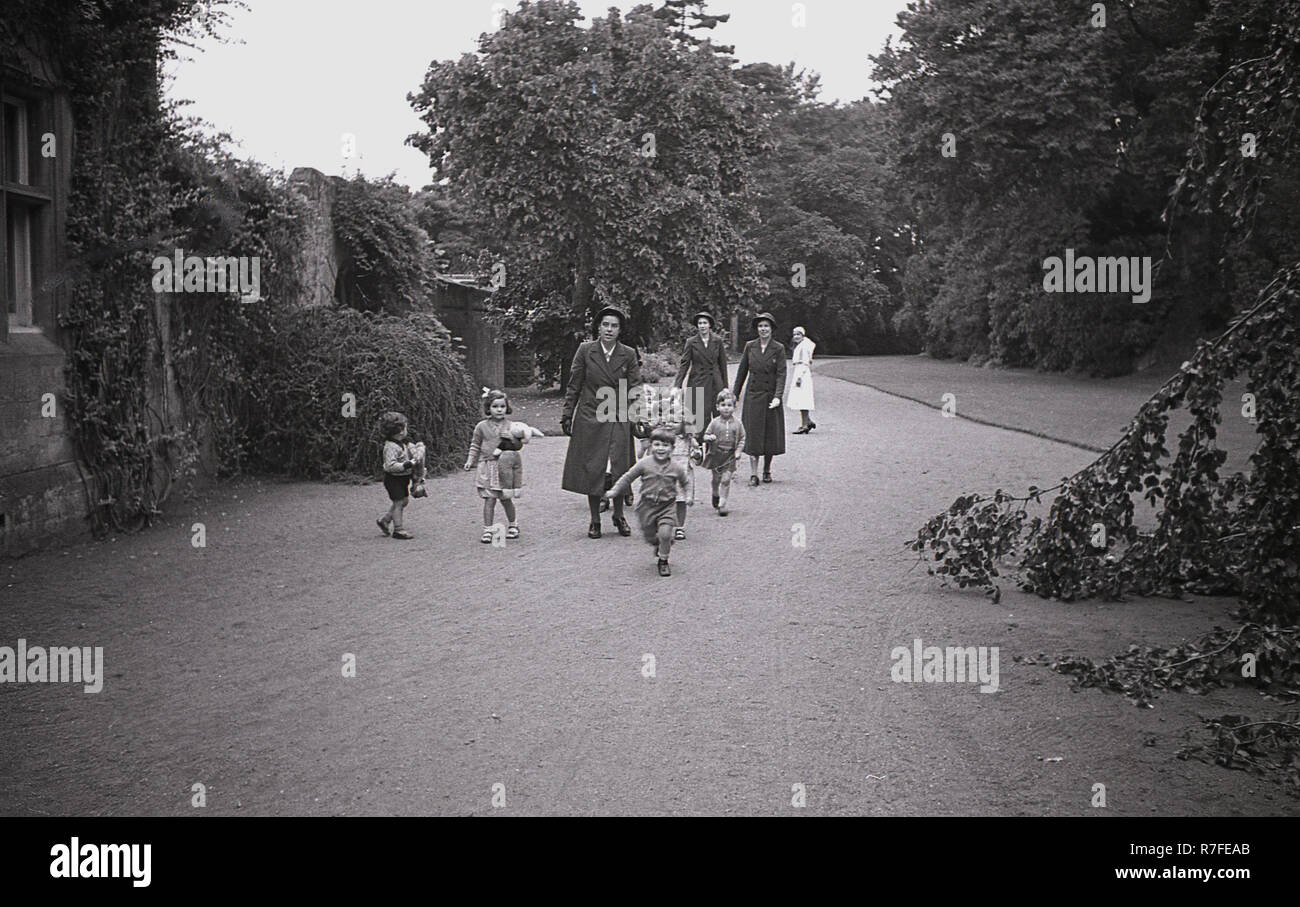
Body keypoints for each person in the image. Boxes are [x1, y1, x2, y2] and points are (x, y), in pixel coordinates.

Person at [561, 305, 642, 539]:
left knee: (619, 465)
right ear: (598, 327)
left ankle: (618, 515)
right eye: (605, 324)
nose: (609, 329)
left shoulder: (628, 354)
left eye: (614, 326)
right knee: (593, 467)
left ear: (620, 330)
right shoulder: (586, 351)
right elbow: (574, 384)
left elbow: (635, 388)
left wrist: (637, 418)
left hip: (618, 414)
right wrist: (568, 414)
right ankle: (595, 520)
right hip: (590, 415)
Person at [604, 427, 689, 577]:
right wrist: (615, 490)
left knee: (665, 533)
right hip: (647, 506)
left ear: (672, 448)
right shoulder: (644, 463)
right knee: (650, 536)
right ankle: (659, 543)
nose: (661, 449)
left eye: (665, 445)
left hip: (667, 506)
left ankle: (663, 560)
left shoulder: (676, 467)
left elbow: (685, 482)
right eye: (657, 445)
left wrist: (688, 496)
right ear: (650, 445)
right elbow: (627, 477)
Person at [464, 390, 542, 543]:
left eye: (502, 406)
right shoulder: (481, 426)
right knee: (489, 499)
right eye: (495, 406)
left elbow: (518, 446)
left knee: (506, 498)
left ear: (507, 408)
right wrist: (470, 460)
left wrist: (512, 440)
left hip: (505, 468)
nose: (499, 410)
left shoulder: (512, 426)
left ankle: (513, 525)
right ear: (488, 408)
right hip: (488, 466)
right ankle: (488, 529)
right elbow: (475, 444)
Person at [731, 311, 786, 485]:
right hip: (753, 395)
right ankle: (753, 474)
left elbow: (781, 374)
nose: (763, 329)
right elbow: (742, 372)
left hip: (770, 397)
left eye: (766, 326)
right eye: (760, 326)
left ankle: (767, 470)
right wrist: (735, 394)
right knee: (753, 434)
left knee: (770, 433)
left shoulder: (778, 348)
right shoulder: (750, 346)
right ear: (757, 329)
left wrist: (778, 396)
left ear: (772, 329)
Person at [673, 311, 727, 440]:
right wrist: (677, 385)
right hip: (697, 381)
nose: (702, 326)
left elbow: (723, 365)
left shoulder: (717, 341)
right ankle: (697, 450)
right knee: (697, 416)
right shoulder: (691, 342)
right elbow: (684, 364)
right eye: (700, 323)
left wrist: (725, 386)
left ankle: (715, 449)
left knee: (717, 413)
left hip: (715, 382)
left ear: (710, 325)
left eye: (705, 323)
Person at [376, 411, 426, 540]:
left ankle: (385, 520)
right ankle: (398, 529)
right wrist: (407, 464)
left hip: (402, 478)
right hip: (393, 479)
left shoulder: (402, 443)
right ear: (400, 431)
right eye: (405, 427)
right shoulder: (391, 447)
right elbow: (390, 465)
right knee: (398, 502)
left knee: (403, 501)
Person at [702, 390, 745, 515]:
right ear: (717, 407)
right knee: (716, 479)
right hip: (716, 454)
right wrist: (709, 438)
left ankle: (722, 503)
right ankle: (715, 492)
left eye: (729, 405)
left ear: (734, 407)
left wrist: (738, 451)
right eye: (723, 405)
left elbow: (742, 438)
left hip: (730, 456)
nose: (726, 408)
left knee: (726, 479)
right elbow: (706, 435)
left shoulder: (738, 424)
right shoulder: (714, 422)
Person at [789, 326, 817, 433]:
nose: (796, 337)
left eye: (798, 334)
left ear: (803, 335)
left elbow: (805, 363)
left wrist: (799, 378)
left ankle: (804, 425)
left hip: (802, 374)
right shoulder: (800, 346)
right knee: (800, 399)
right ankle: (808, 421)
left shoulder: (804, 347)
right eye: (794, 334)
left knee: (803, 399)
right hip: (799, 372)